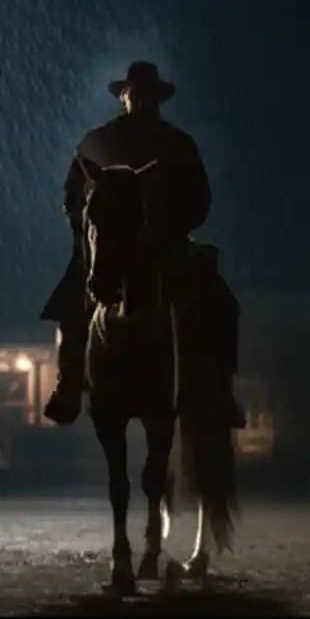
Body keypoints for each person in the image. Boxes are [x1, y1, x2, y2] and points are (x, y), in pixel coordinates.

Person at [40, 61, 212, 425]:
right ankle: (69, 384)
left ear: (158, 98)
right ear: (124, 96)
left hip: (162, 246)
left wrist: (167, 226)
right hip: (105, 244)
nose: (141, 98)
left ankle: (212, 391)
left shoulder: (178, 145)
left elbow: (199, 199)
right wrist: (89, 228)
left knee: (213, 301)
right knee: (73, 304)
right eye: (135, 91)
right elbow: (72, 196)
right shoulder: (96, 142)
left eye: (148, 92)